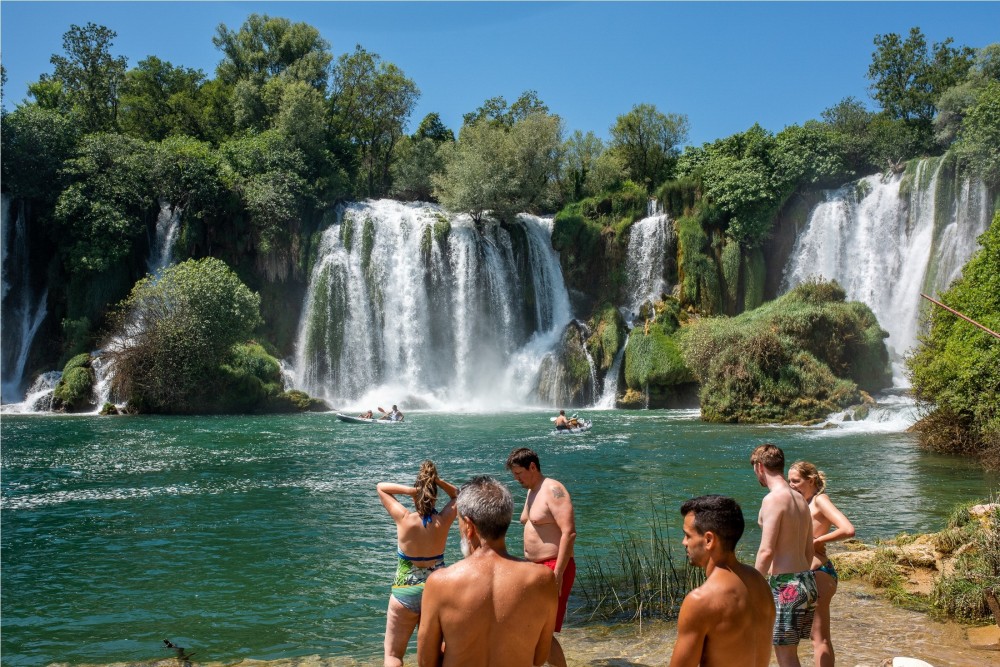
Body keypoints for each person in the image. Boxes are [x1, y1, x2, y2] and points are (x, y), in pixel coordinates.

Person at [417, 475, 557, 667]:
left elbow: (426, 662)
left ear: (469, 526)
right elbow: (539, 657)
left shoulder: (440, 583)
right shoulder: (543, 579)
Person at [670, 495, 775, 667]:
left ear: (709, 540)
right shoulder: (760, 583)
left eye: (688, 535)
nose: (684, 542)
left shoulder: (701, 600)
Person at [377, 461, 458, 667]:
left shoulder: (404, 519)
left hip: (405, 591)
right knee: (432, 658)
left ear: (417, 495)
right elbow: (459, 495)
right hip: (435, 593)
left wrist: (413, 491)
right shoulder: (443, 521)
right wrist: (437, 481)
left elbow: (381, 487)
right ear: (434, 495)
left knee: (393, 655)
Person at [506, 447, 576, 667]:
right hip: (535, 568)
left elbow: (569, 532)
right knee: (528, 626)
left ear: (532, 467)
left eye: (519, 473)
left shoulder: (553, 490)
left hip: (553, 567)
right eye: (514, 474)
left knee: (540, 630)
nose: (516, 479)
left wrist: (558, 573)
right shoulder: (532, 490)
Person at [750, 444, 818, 667]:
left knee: (785, 656)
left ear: (760, 467)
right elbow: (809, 550)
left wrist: (752, 586)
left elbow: (766, 550)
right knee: (790, 654)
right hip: (806, 582)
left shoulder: (773, 499)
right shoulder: (800, 499)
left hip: (786, 586)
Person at [788, 461, 856, 667]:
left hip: (819, 573)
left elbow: (847, 529)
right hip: (811, 574)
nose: (791, 485)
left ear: (811, 481)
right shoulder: (802, 503)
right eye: (789, 481)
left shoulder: (820, 500)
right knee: (814, 638)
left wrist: (818, 541)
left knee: (818, 639)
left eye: (795, 481)